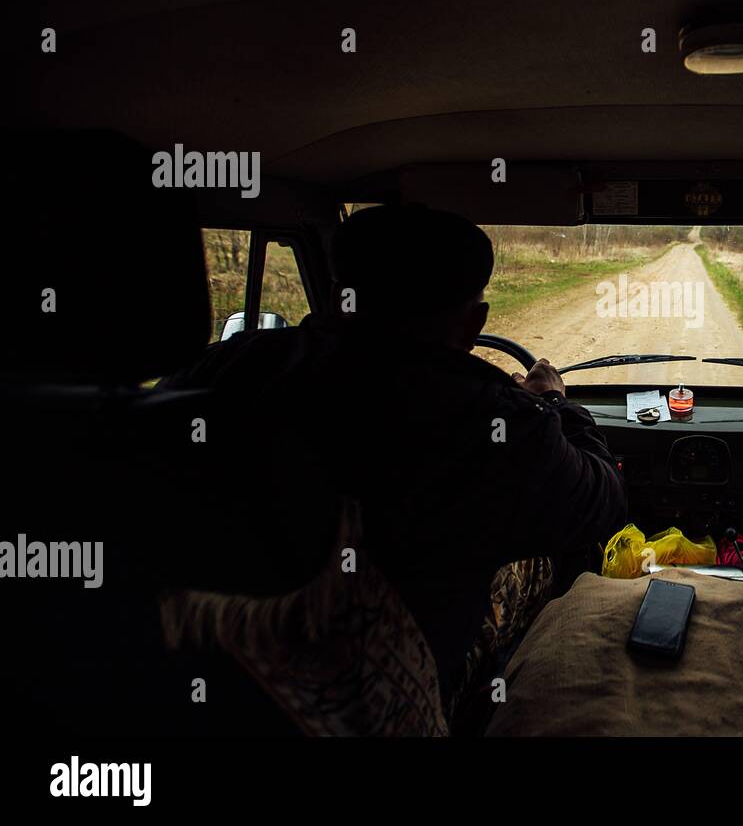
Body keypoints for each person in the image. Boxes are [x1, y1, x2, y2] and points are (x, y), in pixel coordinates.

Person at [162, 203, 626, 724]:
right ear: (475, 321)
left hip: (200, 684)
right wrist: (555, 405)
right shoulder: (494, 421)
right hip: (376, 705)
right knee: (541, 558)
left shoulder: (223, 367)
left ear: (340, 292)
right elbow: (601, 503)